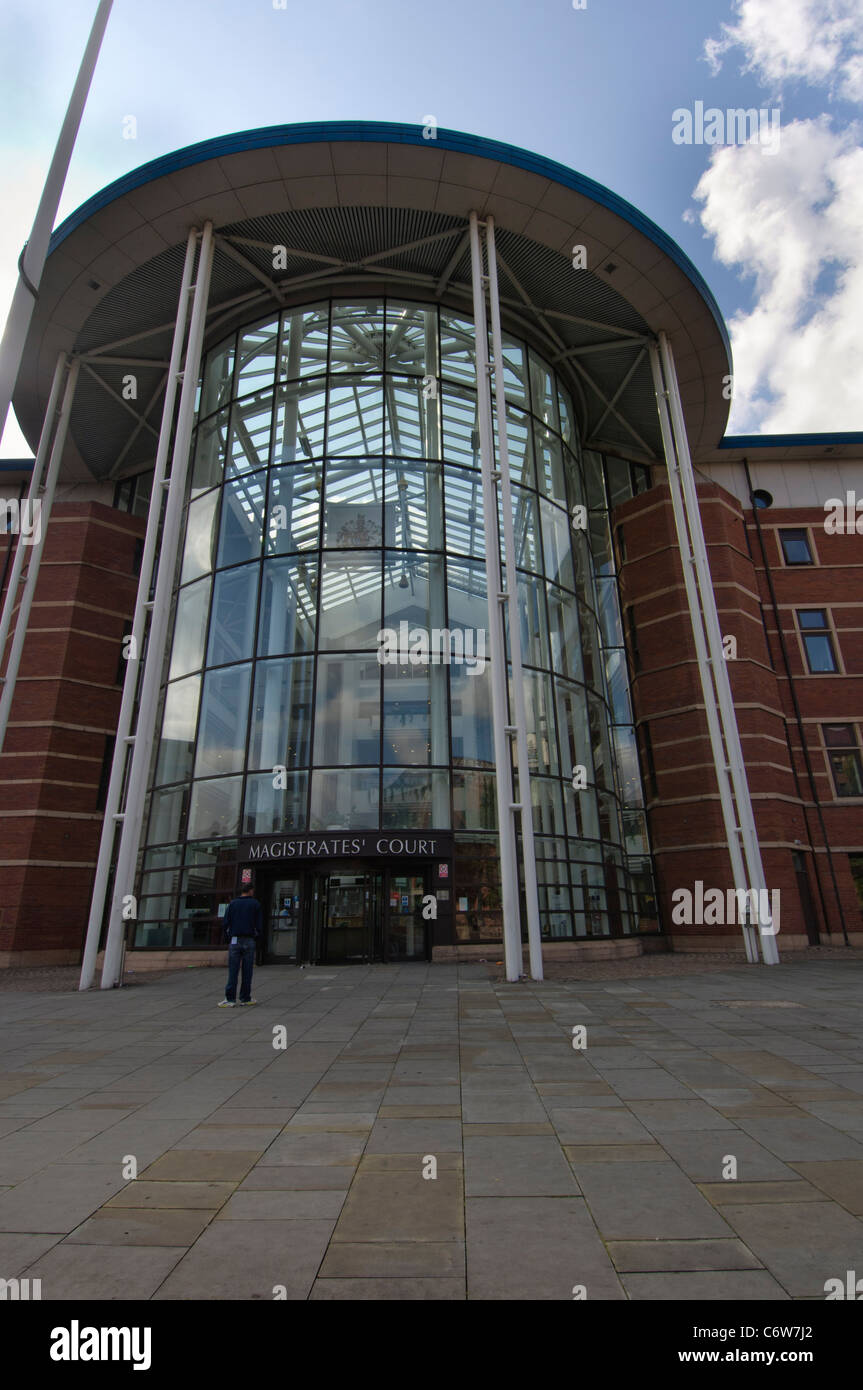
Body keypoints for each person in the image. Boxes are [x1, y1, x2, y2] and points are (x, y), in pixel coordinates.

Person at [218, 884, 262, 1007]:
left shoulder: (233, 904)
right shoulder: (255, 904)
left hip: (235, 939)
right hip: (249, 939)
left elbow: (225, 923)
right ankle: (245, 998)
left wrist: (228, 938)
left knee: (233, 970)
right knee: (248, 971)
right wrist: (257, 936)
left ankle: (230, 999)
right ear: (250, 891)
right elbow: (258, 924)